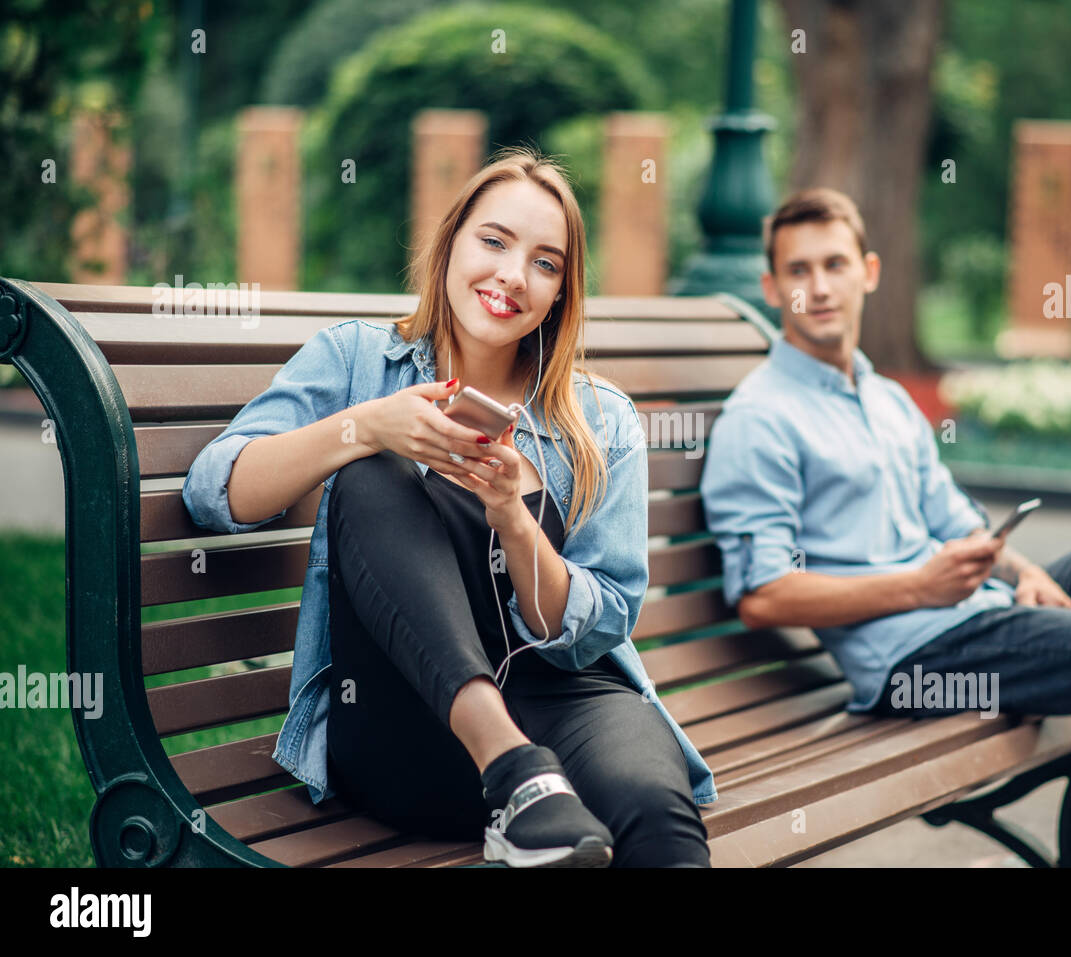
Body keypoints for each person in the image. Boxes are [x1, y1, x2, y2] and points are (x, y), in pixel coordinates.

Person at [698, 186, 1071, 868]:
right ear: (771, 287)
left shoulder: (885, 398)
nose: (819, 286)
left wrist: (1026, 571)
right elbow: (763, 596)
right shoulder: (762, 417)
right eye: (798, 271)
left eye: (834, 264)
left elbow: (951, 515)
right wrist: (919, 587)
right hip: (917, 655)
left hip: (978, 611)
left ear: (868, 272)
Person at [183, 147, 715, 868]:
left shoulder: (601, 420)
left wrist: (514, 517)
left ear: (561, 291)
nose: (511, 275)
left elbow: (601, 621)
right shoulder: (356, 361)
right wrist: (363, 427)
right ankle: (515, 773)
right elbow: (215, 489)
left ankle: (532, 798)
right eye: (493, 241)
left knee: (656, 815)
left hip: (564, 698)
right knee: (373, 474)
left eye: (544, 262)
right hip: (412, 723)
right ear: (450, 244)